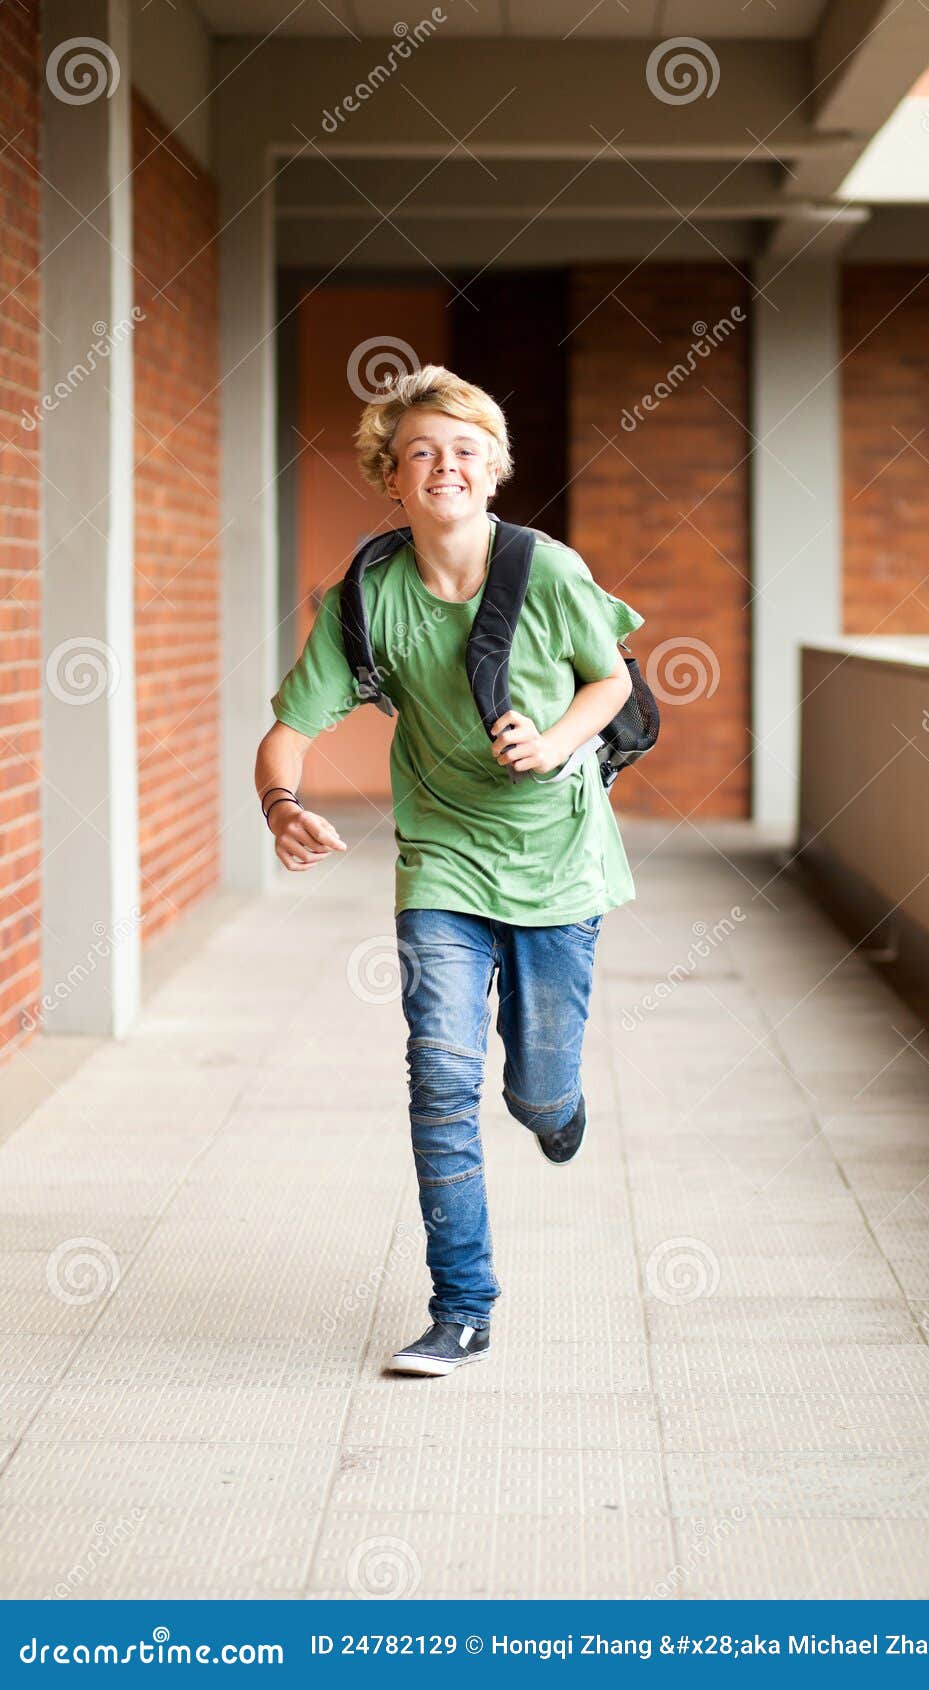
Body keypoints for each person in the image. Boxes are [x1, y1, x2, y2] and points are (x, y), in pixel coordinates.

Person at [254, 365, 644, 1378]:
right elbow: (288, 731)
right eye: (420, 450)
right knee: (440, 1076)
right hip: (440, 861)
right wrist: (281, 805)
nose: (444, 465)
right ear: (393, 476)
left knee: (537, 1088)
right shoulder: (366, 598)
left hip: (558, 863)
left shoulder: (546, 570)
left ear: (493, 471)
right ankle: (461, 1308)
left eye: (464, 449)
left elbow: (610, 680)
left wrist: (557, 740)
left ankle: (552, 1106)